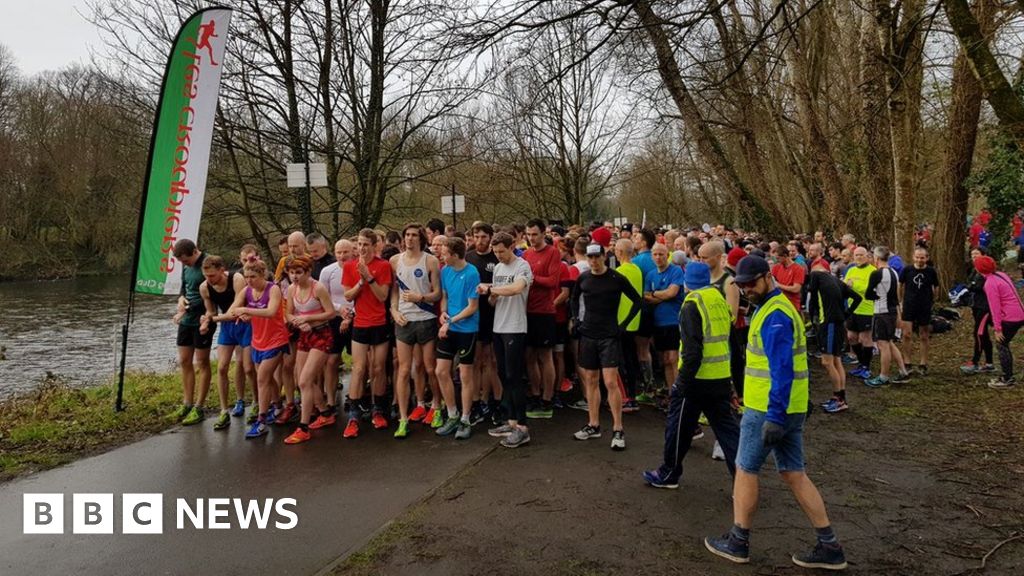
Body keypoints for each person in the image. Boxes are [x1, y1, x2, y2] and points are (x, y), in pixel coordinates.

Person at [705, 255, 847, 570]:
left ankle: (738, 541)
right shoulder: (776, 308)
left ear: (767, 277)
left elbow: (783, 368)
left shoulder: (775, 315)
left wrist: (776, 415)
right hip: (787, 407)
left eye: (751, 283)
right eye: (741, 285)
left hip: (768, 410)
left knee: (745, 469)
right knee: (794, 473)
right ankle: (829, 544)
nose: (746, 290)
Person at [643, 261, 740, 488]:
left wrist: (681, 383)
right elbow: (732, 343)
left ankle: (669, 472)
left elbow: (692, 350)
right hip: (720, 377)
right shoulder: (718, 299)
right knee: (727, 430)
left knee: (678, 427)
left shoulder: (691, 304)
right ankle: (743, 478)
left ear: (687, 282)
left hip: (696, 380)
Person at [570, 243, 642, 450]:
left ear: (604, 257)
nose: (593, 261)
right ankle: (593, 424)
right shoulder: (583, 278)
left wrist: (624, 325)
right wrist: (576, 320)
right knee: (591, 380)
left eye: (596, 257)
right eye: (589, 257)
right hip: (588, 334)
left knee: (610, 382)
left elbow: (637, 301)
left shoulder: (616, 278)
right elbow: (574, 298)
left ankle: (618, 428)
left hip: (610, 335)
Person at [227, 258, 290, 439]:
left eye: (253, 276)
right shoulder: (247, 291)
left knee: (262, 378)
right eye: (246, 276)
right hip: (258, 341)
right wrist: (212, 318)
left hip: (276, 339)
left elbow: (271, 312)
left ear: (262, 275)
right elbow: (232, 311)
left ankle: (261, 421)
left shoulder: (273, 289)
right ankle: (277, 406)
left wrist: (247, 311)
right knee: (267, 379)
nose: (249, 280)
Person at [390, 223, 442, 438]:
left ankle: (437, 406)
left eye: (414, 235)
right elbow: (393, 291)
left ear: (421, 238)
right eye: (407, 235)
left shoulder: (430, 260)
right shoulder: (395, 261)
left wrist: (421, 297)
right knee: (405, 370)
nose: (410, 239)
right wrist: (393, 310)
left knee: (428, 367)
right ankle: (405, 416)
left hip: (426, 318)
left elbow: (437, 293)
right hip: (404, 320)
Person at [342, 229, 394, 438]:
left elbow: (383, 296)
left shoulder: (383, 266)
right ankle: (354, 415)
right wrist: (361, 281)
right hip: (360, 323)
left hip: (379, 322)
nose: (362, 249)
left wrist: (370, 277)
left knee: (379, 367)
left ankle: (378, 409)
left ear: (374, 246)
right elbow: (347, 295)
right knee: (359, 368)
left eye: (366, 245)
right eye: (360, 245)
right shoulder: (349, 266)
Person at [483, 232, 534, 448]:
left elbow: (516, 289)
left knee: (514, 375)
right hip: (499, 326)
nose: (499, 256)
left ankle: (522, 426)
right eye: (495, 252)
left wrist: (492, 289)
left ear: (511, 247)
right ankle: (511, 420)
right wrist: (492, 296)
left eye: (501, 251)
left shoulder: (522, 266)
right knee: (503, 373)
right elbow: (494, 302)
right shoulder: (498, 268)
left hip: (515, 326)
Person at [282, 255, 337, 444]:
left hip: (322, 334)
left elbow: (331, 313)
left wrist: (308, 319)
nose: (295, 277)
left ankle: (303, 427)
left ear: (307, 272)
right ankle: (324, 412)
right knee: (301, 379)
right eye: (291, 273)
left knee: (305, 380)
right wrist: (297, 322)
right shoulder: (291, 289)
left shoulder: (318, 288)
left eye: (299, 273)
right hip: (305, 334)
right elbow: (288, 313)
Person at [434, 237, 482, 439]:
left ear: (454, 255)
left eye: (444, 253)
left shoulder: (471, 273)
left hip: (466, 329)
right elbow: (445, 297)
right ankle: (452, 414)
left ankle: (465, 418)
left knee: (465, 375)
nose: (441, 256)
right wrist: (443, 313)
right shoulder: (445, 271)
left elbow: (472, 307)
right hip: (449, 325)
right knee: (441, 371)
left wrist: (450, 321)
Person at [199, 255, 253, 431]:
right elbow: (210, 310)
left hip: (244, 324)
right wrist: (205, 321)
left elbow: (235, 309)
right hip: (227, 328)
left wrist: (212, 319)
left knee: (248, 368)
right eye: (206, 276)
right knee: (221, 367)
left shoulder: (237, 279)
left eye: (213, 276)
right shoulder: (204, 287)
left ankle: (256, 402)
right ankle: (224, 410)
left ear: (222, 270)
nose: (210, 280)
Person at [807, 259, 862, 413]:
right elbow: (858, 298)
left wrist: (813, 320)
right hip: (837, 324)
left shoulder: (816, 276)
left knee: (827, 362)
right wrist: (846, 314)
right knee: (836, 360)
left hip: (829, 324)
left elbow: (811, 299)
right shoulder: (837, 281)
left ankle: (839, 399)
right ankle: (839, 397)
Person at [170, 239, 214, 426]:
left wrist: (185, 310)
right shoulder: (185, 266)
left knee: (202, 362)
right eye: (181, 262)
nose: (184, 264)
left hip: (203, 318)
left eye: (186, 261)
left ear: (195, 251)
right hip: (186, 319)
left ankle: (199, 406)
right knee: (184, 361)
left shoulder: (208, 263)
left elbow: (212, 294)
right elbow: (184, 287)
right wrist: (181, 299)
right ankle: (187, 403)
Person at [523, 219, 561, 419]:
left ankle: (548, 397)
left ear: (543, 233)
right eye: (528, 235)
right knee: (529, 355)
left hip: (545, 311)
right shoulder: (526, 254)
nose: (531, 238)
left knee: (545, 356)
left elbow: (553, 282)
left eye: (534, 234)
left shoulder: (553, 252)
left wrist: (531, 278)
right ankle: (535, 393)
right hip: (526, 310)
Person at [466, 222, 503, 425]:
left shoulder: (496, 259)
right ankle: (477, 401)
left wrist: (489, 289)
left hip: (494, 314)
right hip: (473, 315)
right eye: (476, 237)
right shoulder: (468, 257)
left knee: (492, 361)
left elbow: (502, 284)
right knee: (476, 361)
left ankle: (494, 401)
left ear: (490, 237)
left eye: (483, 237)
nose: (479, 241)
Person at [318, 239, 355, 425]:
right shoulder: (327, 271)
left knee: (359, 360)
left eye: (345, 252)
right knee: (331, 361)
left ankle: (356, 395)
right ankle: (331, 401)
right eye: (338, 252)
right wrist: (340, 309)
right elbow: (323, 297)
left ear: (352, 252)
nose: (342, 256)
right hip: (334, 317)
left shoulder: (358, 268)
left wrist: (350, 315)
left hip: (356, 317)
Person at [975, 255, 1024, 389]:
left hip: (1010, 317)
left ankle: (1007, 378)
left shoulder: (990, 283)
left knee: (1001, 344)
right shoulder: (1001, 275)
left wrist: (998, 329)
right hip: (1019, 312)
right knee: (1004, 344)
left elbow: (995, 307)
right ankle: (1007, 376)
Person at [863, 247, 910, 387]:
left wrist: (876, 296)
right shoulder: (894, 273)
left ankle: (884, 375)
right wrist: (899, 313)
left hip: (881, 311)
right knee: (889, 342)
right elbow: (896, 296)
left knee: (883, 344)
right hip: (891, 310)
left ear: (876, 259)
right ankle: (903, 371)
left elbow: (868, 294)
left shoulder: (876, 274)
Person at [643, 243, 684, 392]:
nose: (658, 257)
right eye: (655, 254)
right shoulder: (650, 275)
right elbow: (646, 296)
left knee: (674, 359)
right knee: (665, 360)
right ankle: (672, 392)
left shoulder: (676, 271)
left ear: (667, 255)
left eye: (661, 254)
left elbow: (672, 293)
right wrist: (662, 295)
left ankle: (680, 392)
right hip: (658, 322)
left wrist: (655, 294)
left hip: (673, 321)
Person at [613, 238, 644, 412]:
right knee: (631, 359)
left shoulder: (619, 272)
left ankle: (627, 398)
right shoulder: (637, 270)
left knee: (623, 361)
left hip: (620, 322)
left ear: (620, 252)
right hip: (634, 321)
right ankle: (632, 395)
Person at [898, 248, 939, 374]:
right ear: (913, 257)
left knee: (924, 335)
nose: (919, 260)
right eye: (917, 257)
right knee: (906, 334)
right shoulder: (907, 270)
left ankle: (923, 363)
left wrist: (933, 300)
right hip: (909, 305)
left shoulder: (931, 271)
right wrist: (900, 301)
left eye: (922, 257)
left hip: (924, 306)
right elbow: (900, 285)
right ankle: (907, 361)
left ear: (926, 258)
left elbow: (936, 286)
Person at [961, 248, 996, 375]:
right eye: (972, 254)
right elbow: (969, 284)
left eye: (977, 254)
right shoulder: (974, 270)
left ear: (984, 256)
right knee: (984, 334)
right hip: (976, 305)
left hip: (985, 307)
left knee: (978, 334)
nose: (974, 257)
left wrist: (971, 286)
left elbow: (976, 287)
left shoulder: (986, 272)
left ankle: (975, 362)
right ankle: (989, 363)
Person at [844, 247, 876, 379]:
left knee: (865, 338)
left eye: (861, 255)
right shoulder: (851, 270)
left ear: (867, 256)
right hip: (853, 309)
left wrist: (854, 286)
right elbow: (845, 285)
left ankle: (866, 367)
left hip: (867, 309)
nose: (859, 257)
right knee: (851, 337)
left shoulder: (873, 271)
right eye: (856, 255)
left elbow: (871, 289)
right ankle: (861, 363)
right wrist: (846, 285)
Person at [771, 244, 805, 311]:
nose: (777, 260)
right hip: (779, 302)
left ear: (785, 256)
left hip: (792, 303)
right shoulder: (776, 267)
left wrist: (778, 285)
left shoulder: (798, 269)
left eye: (778, 258)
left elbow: (796, 289)